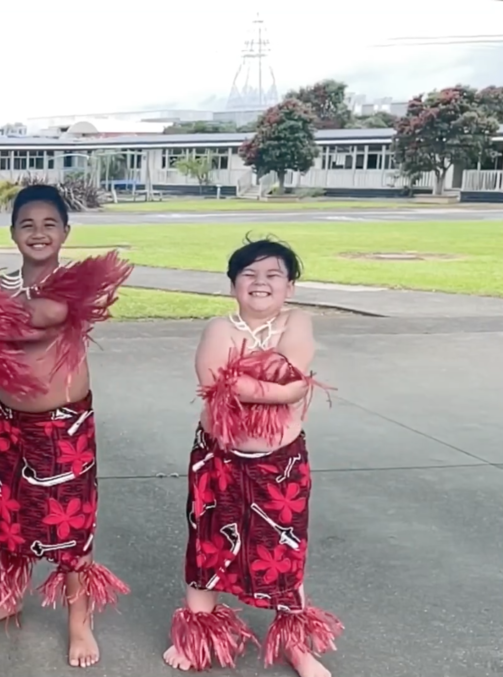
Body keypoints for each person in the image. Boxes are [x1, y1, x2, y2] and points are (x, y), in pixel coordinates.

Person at [0, 185, 134, 669]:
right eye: (27, 224)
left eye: (50, 224)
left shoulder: (73, 284)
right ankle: (9, 597)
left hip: (62, 427)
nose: (38, 232)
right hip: (4, 422)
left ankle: (78, 619)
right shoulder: (1, 287)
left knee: (69, 530)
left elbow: (48, 316)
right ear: (12, 233)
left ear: (66, 232)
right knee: (6, 518)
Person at [162, 238, 342, 677]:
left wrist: (253, 377)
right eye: (249, 274)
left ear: (290, 286)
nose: (260, 282)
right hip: (218, 460)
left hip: (280, 463)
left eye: (273, 275)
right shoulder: (218, 328)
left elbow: (292, 365)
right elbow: (217, 384)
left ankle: (295, 645)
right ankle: (199, 638)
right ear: (232, 285)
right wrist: (284, 390)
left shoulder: (298, 320)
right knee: (208, 548)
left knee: (283, 551)